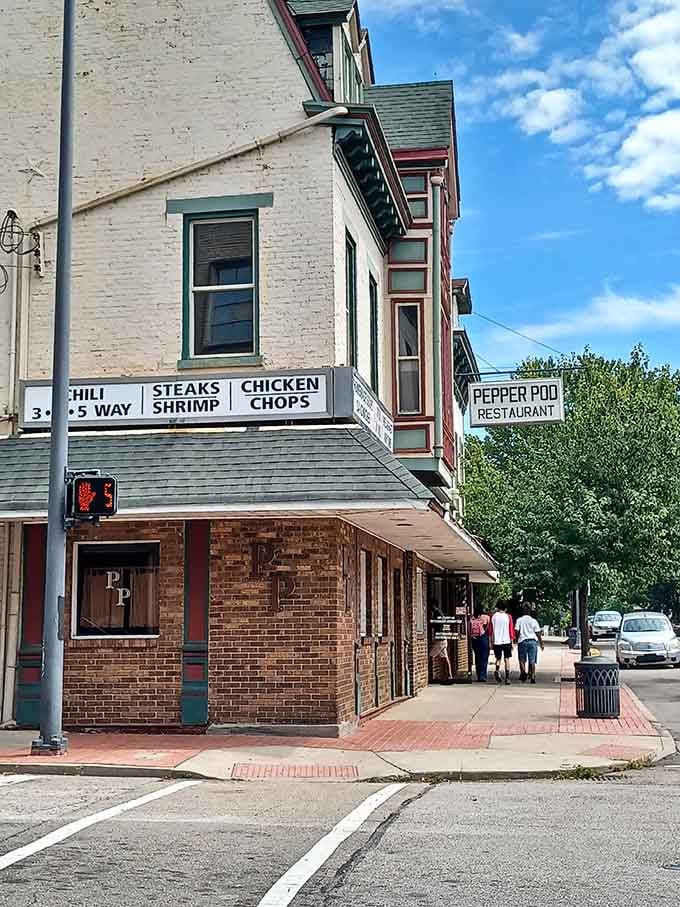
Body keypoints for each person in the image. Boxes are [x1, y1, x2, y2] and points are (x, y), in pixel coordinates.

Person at [515, 604, 545, 684]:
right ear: (530, 611)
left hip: (522, 641)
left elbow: (517, 631)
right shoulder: (534, 621)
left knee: (522, 659)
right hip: (532, 642)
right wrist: (541, 643)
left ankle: (523, 673)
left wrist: (516, 639)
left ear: (523, 611)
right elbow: (538, 633)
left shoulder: (519, 620)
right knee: (532, 660)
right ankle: (532, 675)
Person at [491, 601, 515, 684]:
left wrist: (491, 641)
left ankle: (497, 670)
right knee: (506, 659)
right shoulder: (508, 617)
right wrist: (512, 642)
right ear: (506, 608)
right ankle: (507, 678)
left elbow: (491, 630)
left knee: (498, 658)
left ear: (497, 607)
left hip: (497, 641)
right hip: (506, 640)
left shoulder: (493, 617)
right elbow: (511, 630)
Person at [469, 608, 491, 682]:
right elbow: (488, 627)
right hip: (483, 637)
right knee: (484, 657)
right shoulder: (486, 617)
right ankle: (483, 676)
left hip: (474, 638)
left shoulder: (472, 617)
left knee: (477, 657)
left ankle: (479, 676)